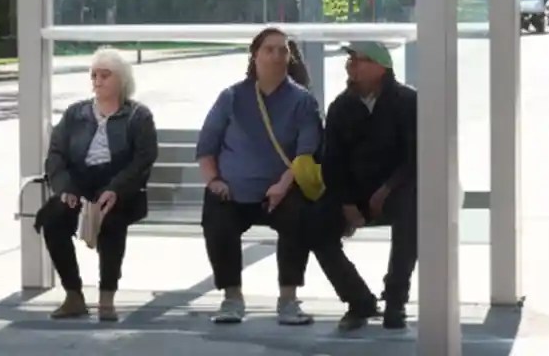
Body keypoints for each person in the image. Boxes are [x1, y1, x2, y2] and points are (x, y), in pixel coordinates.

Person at [195, 26, 368, 326]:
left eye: (282, 50)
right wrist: (214, 181)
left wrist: (282, 184)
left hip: (282, 188)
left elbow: (306, 152)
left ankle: (288, 299)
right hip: (233, 191)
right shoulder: (232, 97)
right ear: (255, 55)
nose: (276, 55)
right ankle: (231, 297)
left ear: (290, 57)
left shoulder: (302, 101)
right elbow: (206, 148)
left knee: (297, 218)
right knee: (216, 219)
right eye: (269, 49)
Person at [35, 47, 158, 322]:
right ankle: (74, 296)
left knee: (112, 221)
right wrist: (65, 189)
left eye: (105, 75)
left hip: (119, 187)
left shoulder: (139, 116)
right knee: (53, 218)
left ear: (122, 80)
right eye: (94, 75)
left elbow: (143, 160)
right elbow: (56, 156)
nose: (97, 81)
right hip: (78, 186)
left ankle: (106, 298)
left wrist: (115, 189)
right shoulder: (75, 114)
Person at [320, 40, 419, 331]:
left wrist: (387, 189)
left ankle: (395, 299)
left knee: (411, 213)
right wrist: (348, 203)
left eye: (357, 59)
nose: (350, 66)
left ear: (380, 67)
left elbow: (414, 158)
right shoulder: (341, 107)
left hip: (396, 190)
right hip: (353, 194)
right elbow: (332, 163)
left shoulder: (407, 102)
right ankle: (359, 300)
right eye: (349, 60)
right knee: (313, 223)